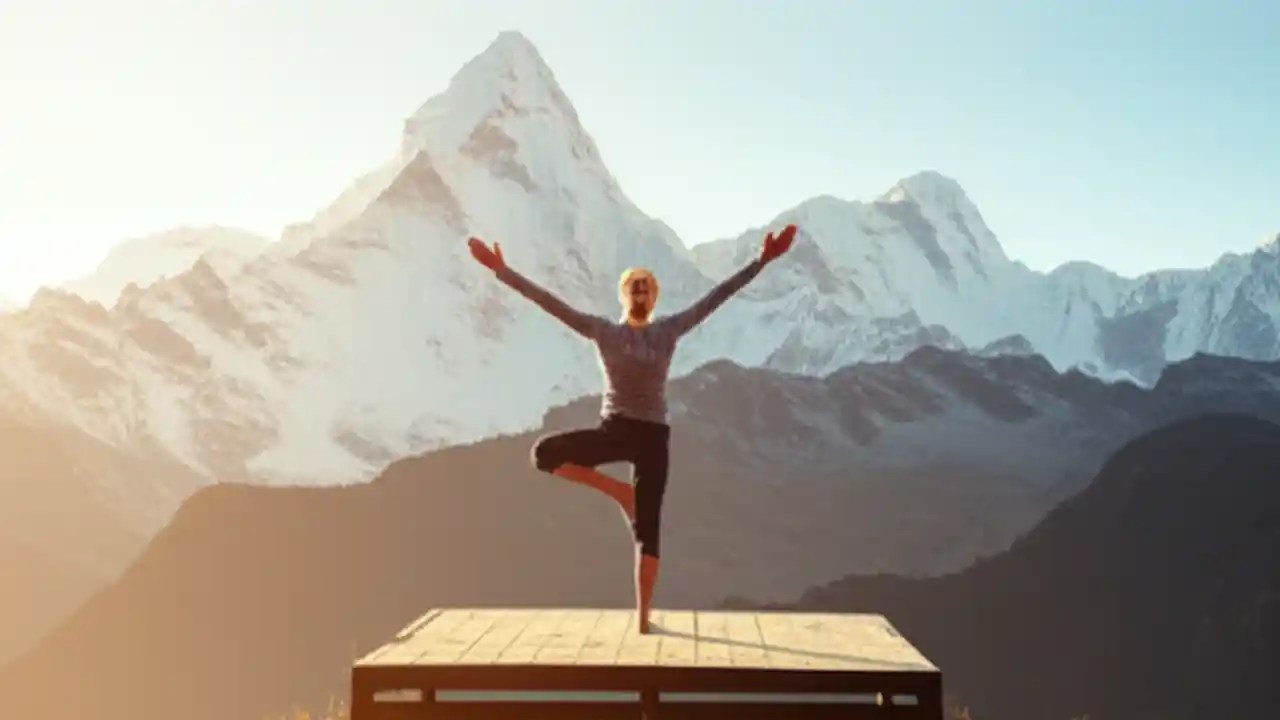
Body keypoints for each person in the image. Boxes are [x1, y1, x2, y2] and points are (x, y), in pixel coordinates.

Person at [466, 223, 797, 633]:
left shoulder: (668, 330)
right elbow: (550, 303)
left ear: (653, 296)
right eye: (633, 288)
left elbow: (717, 298)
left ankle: (643, 619)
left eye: (645, 288)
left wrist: (761, 261)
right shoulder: (603, 331)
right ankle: (620, 493)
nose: (639, 294)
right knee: (543, 454)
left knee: (650, 531)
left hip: (653, 437)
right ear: (624, 295)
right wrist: (502, 270)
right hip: (616, 429)